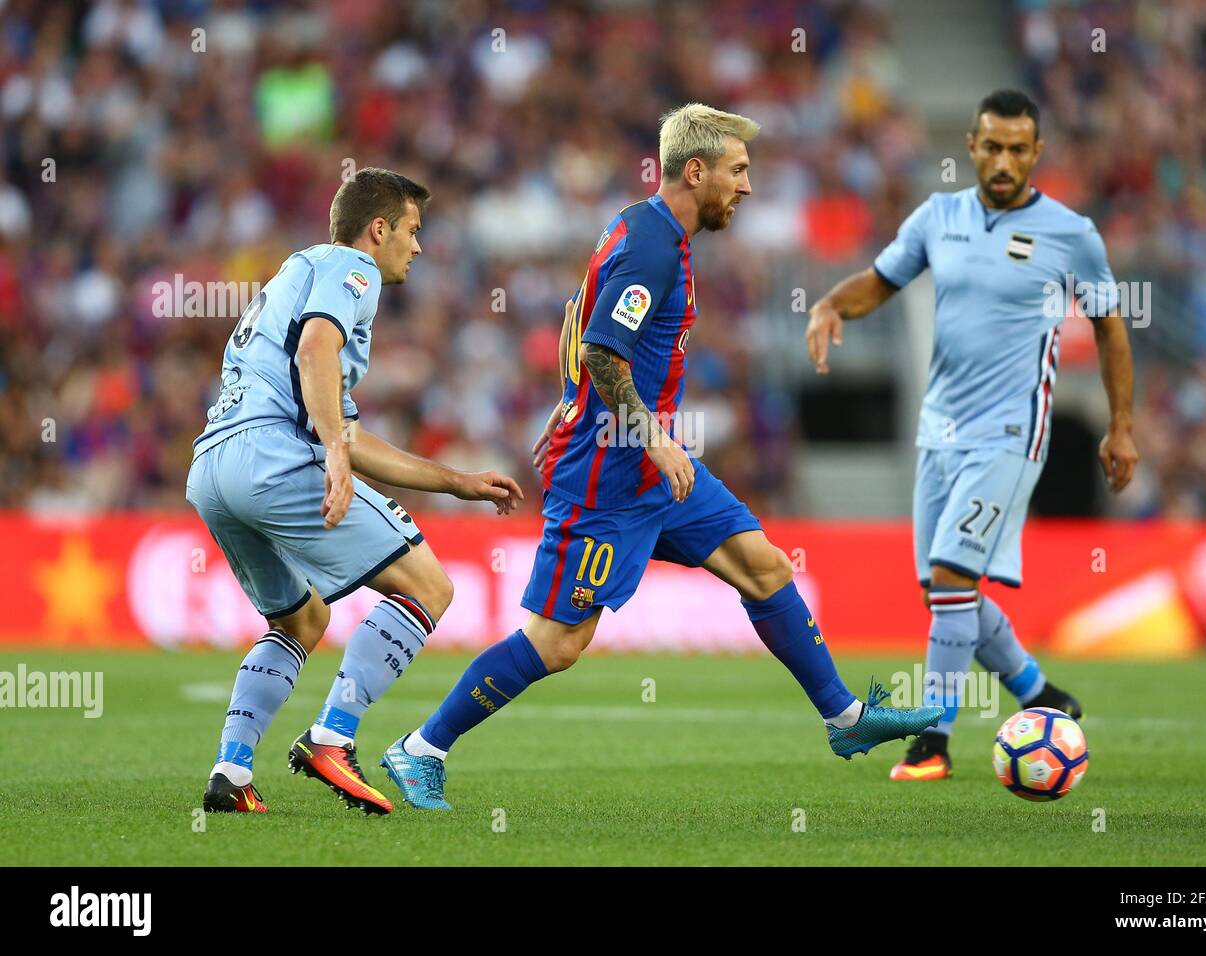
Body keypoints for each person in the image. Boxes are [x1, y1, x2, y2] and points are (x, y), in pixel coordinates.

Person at [378, 104, 944, 811]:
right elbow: (600, 348)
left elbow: (576, 314)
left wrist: (570, 396)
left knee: (762, 565)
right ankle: (419, 748)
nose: (746, 186)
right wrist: (644, 432)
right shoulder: (650, 245)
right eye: (738, 171)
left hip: (652, 466)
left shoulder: (647, 231)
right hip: (609, 476)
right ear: (696, 170)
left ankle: (845, 720)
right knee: (556, 642)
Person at [807, 90, 1139, 781]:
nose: (1004, 161)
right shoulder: (940, 217)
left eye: (1019, 148)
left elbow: (1110, 325)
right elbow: (881, 280)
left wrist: (1122, 427)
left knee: (956, 576)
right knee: (941, 592)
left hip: (1010, 434)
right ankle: (1036, 692)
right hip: (939, 432)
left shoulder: (1071, 233)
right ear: (972, 146)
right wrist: (834, 302)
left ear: (1036, 153)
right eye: (992, 146)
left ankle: (932, 741)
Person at [187, 168, 523, 814]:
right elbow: (317, 353)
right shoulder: (352, 269)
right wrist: (334, 454)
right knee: (430, 586)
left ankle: (231, 768)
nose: (418, 247)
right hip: (274, 457)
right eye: (412, 230)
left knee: (300, 619)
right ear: (378, 230)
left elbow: (345, 427)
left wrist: (456, 482)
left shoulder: (298, 272)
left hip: (214, 470)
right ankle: (330, 736)